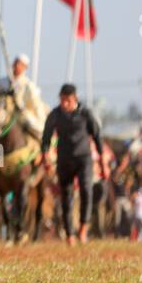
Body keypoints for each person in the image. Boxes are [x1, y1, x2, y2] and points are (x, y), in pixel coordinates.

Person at [39, 83, 103, 244]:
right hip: (64, 159)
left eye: (67, 100)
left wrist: (102, 161)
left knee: (86, 191)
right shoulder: (55, 114)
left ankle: (83, 228)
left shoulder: (86, 113)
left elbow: (96, 135)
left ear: (75, 99)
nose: (64, 104)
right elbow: (46, 136)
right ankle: (69, 234)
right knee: (66, 195)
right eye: (61, 100)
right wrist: (45, 154)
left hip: (84, 158)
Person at [8, 53, 47, 137]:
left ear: (25, 67)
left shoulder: (28, 85)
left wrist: (42, 123)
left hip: (22, 116)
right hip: (5, 115)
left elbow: (37, 105)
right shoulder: (3, 82)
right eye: (16, 63)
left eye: (20, 64)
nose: (17, 66)